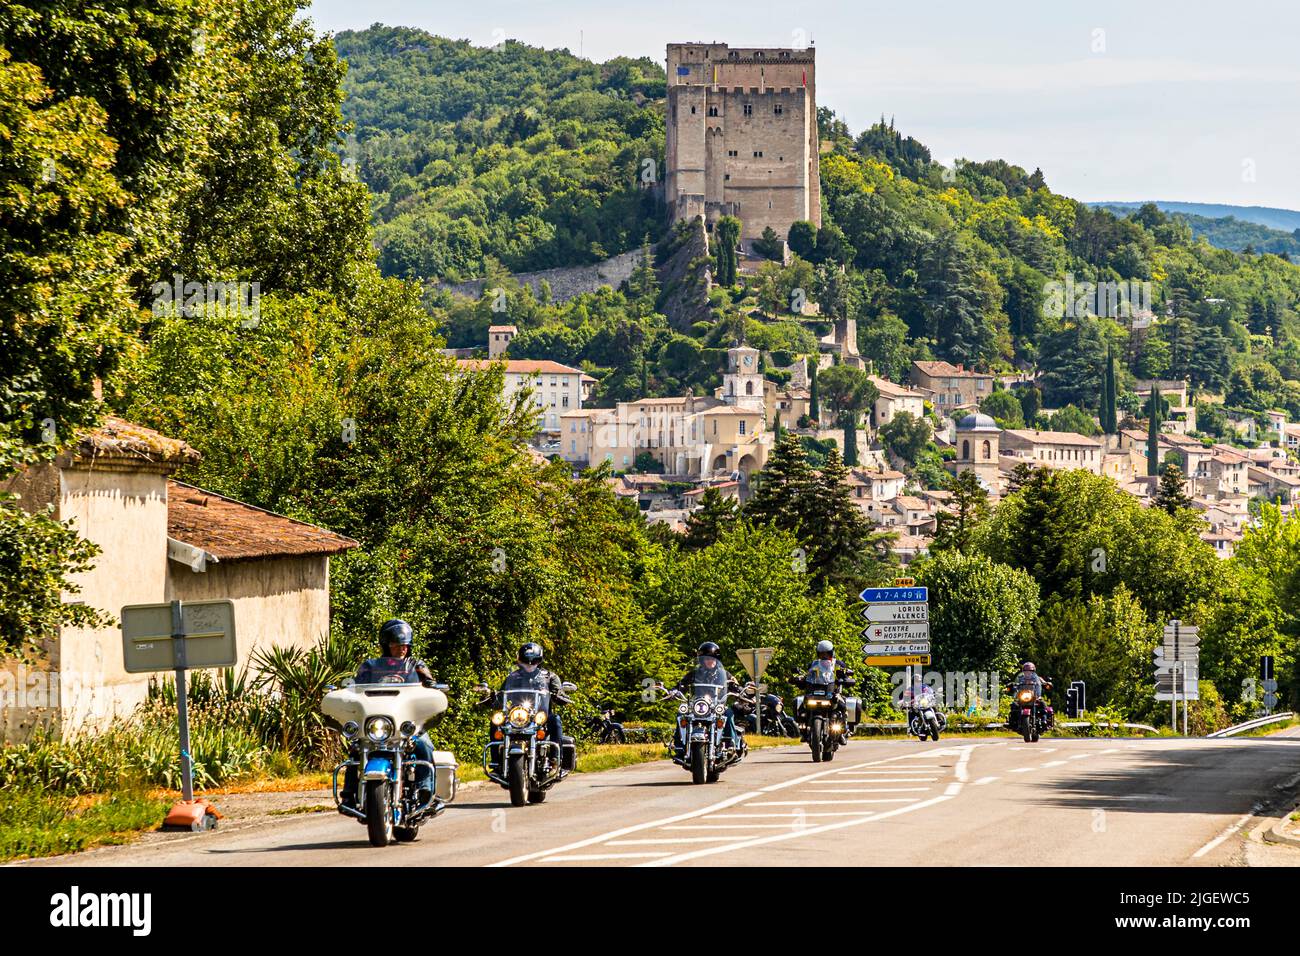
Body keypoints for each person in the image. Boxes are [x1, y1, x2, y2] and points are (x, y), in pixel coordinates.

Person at [343, 619, 438, 806]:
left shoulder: (416, 665)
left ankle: (425, 788)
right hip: (378, 721)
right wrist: (347, 691)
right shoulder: (370, 667)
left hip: (407, 722)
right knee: (356, 749)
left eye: (405, 645)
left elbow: (430, 684)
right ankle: (348, 794)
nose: (401, 649)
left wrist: (433, 688)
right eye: (396, 645)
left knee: (424, 746)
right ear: (386, 645)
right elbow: (355, 687)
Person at [484, 643, 573, 763]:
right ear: (520, 661)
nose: (529, 665)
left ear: (539, 661)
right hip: (516, 716)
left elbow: (558, 693)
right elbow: (501, 697)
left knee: (555, 719)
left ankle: (555, 759)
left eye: (533, 661)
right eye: (526, 661)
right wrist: (491, 699)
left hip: (540, 716)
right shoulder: (513, 677)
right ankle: (496, 761)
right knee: (495, 721)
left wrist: (560, 696)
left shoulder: (549, 677)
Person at [670, 642, 745, 753]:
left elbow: (735, 686)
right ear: (702, 660)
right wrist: (674, 691)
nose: (710, 661)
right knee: (681, 714)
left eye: (713, 659)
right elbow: (682, 685)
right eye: (707, 659)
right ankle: (679, 745)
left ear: (717, 660)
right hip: (698, 706)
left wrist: (741, 692)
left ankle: (731, 744)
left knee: (728, 714)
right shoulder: (695, 674)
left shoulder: (725, 674)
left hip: (717, 706)